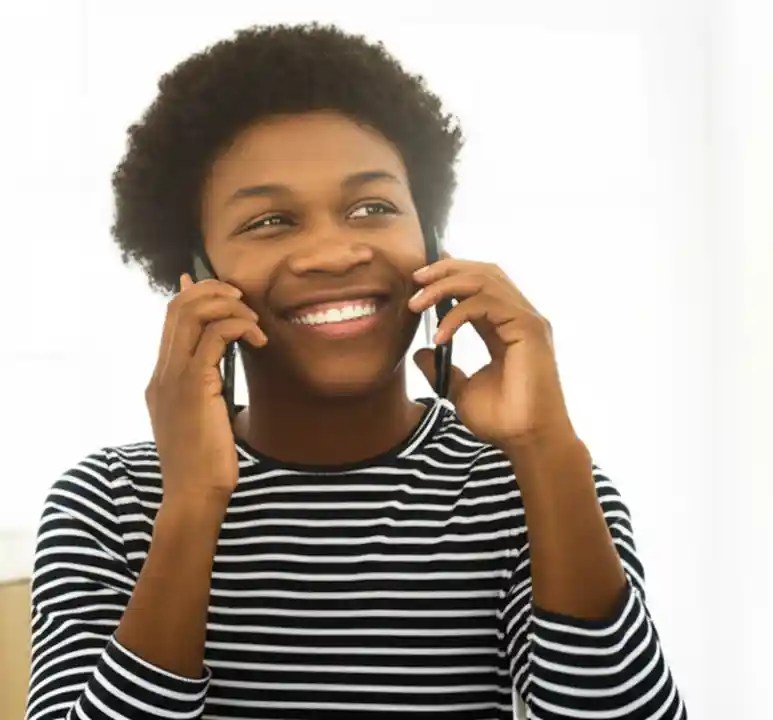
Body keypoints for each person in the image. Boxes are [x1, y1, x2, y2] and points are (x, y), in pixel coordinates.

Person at [26, 22, 686, 720]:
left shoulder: (533, 485)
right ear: (194, 274)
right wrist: (192, 504)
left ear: (430, 240)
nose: (334, 253)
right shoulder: (108, 503)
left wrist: (549, 452)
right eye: (271, 221)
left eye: (373, 208)